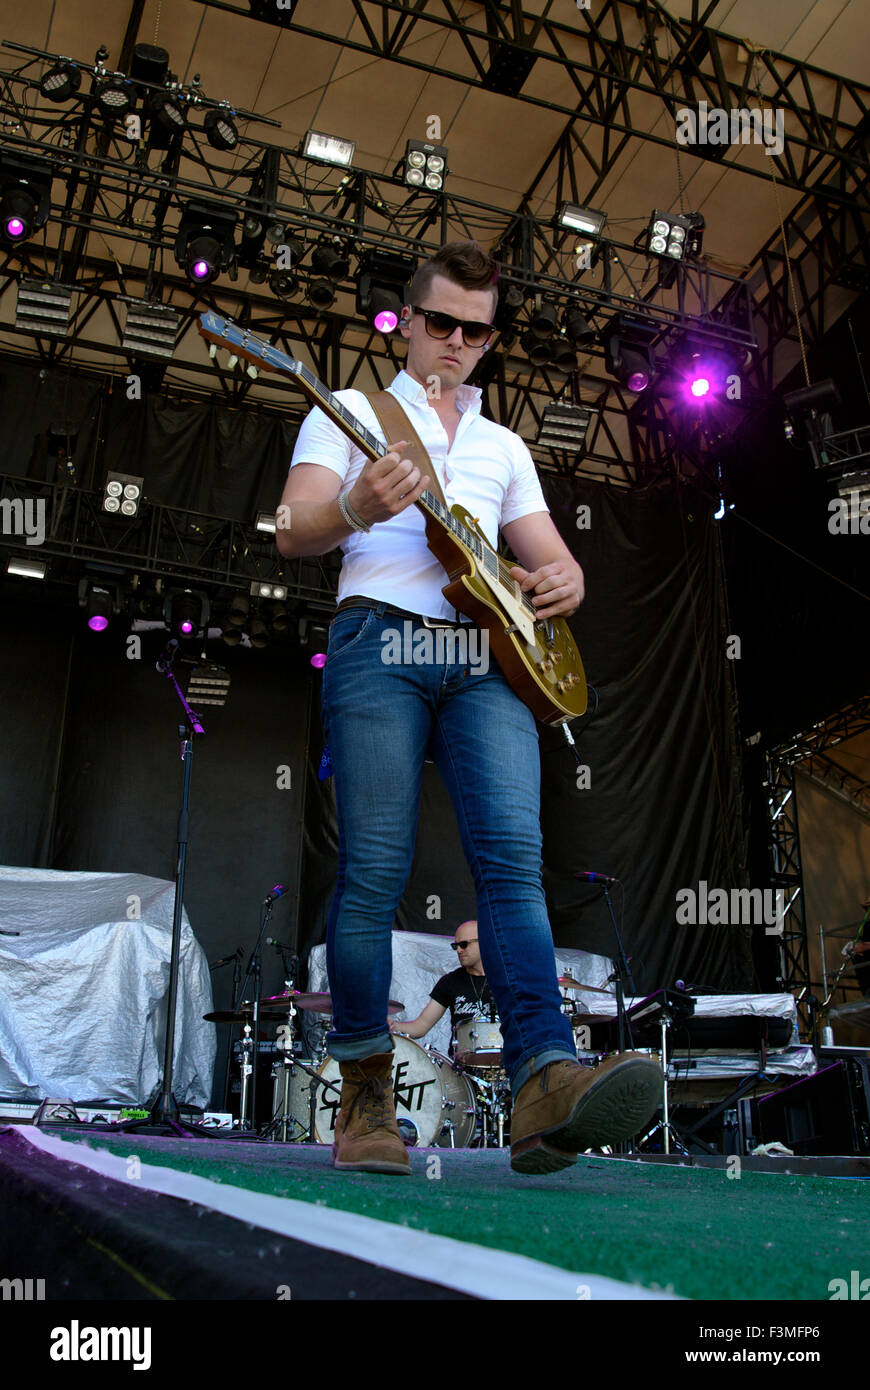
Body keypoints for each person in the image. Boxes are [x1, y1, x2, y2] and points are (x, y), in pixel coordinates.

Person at [276, 239, 662, 1176]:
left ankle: (543, 1081)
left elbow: (547, 554)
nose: (454, 340)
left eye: (474, 330)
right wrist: (360, 506)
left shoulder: (504, 446)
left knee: (515, 871)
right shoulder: (352, 413)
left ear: (489, 340)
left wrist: (565, 576)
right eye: (439, 322)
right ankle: (365, 1093)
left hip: (485, 653)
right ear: (406, 322)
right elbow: (294, 529)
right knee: (372, 869)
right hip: (380, 642)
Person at [389, 920, 497, 1047]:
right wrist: (393, 1025)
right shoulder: (450, 981)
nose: (459, 950)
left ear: (483, 942)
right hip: (463, 1062)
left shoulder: (507, 979)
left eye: (464, 944)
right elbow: (421, 1026)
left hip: (504, 1059)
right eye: (455, 946)